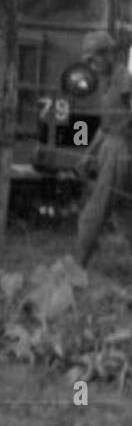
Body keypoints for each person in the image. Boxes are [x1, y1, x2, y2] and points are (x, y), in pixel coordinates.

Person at [73, 29, 132, 268]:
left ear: (109, 54)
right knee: (126, 216)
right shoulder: (107, 83)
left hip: (122, 150)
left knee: (94, 213)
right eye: (87, 61)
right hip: (112, 146)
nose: (91, 65)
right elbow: (105, 126)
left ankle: (74, 271)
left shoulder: (124, 80)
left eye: (93, 59)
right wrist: (89, 153)